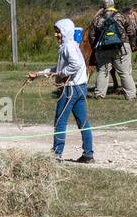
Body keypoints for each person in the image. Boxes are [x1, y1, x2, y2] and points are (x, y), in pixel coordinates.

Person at [28, 18, 93, 163]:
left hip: (70, 90)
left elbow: (73, 66)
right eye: (56, 32)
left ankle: (56, 155)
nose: (56, 35)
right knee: (83, 122)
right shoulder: (71, 45)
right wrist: (38, 74)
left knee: (60, 122)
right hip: (80, 88)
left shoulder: (68, 47)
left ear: (65, 32)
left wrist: (61, 74)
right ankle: (88, 154)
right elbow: (58, 69)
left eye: (58, 32)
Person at [89, 0, 136, 100]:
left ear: (102, 6)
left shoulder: (97, 18)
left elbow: (91, 35)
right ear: (113, 5)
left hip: (103, 48)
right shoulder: (122, 16)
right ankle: (130, 96)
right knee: (124, 72)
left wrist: (95, 48)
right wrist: (132, 44)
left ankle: (99, 95)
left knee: (102, 71)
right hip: (122, 47)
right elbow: (131, 31)